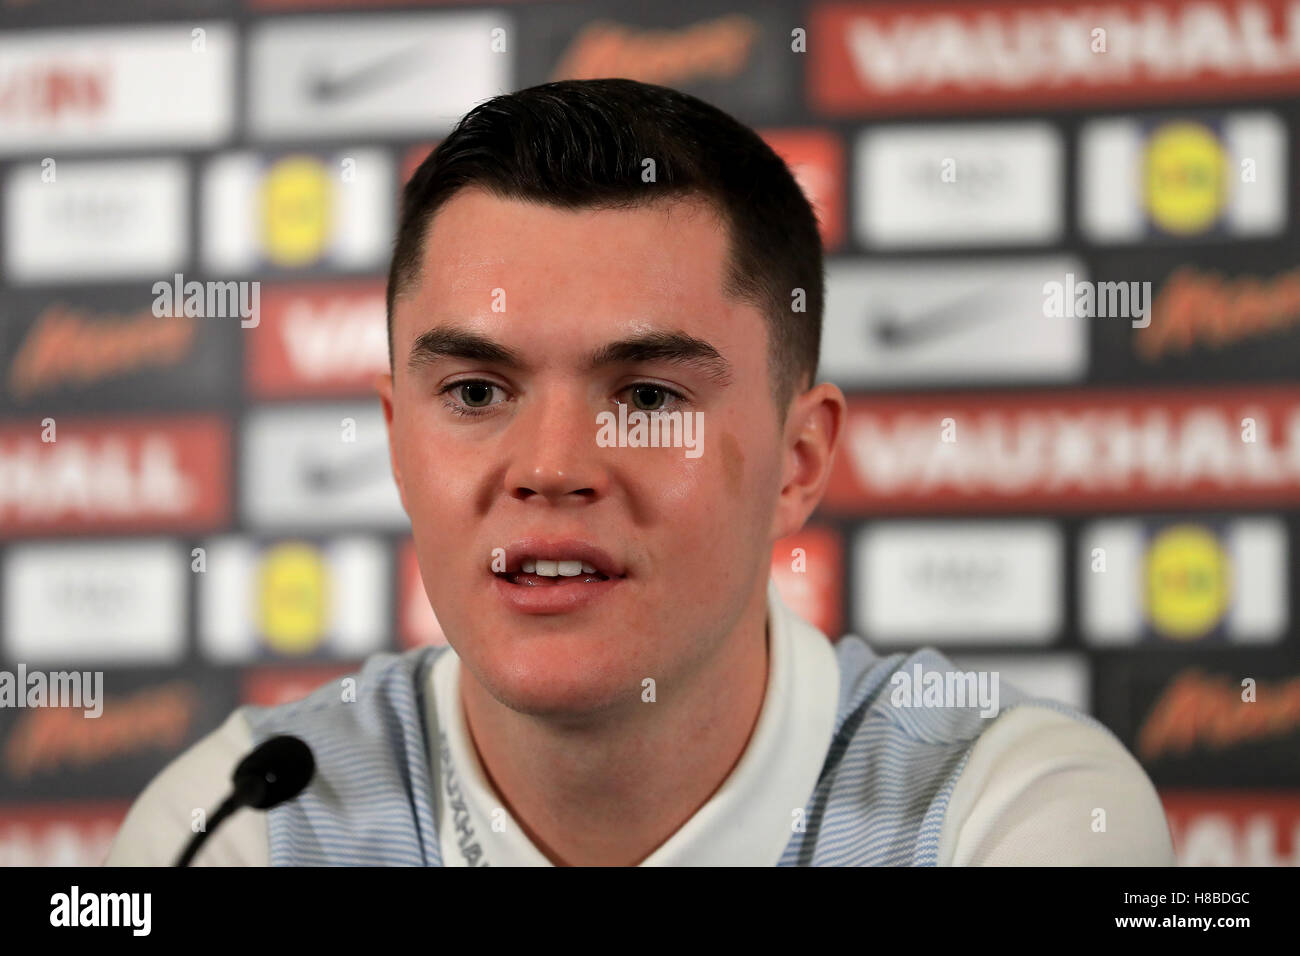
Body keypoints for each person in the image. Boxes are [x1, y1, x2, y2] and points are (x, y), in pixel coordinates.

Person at [106, 78, 1173, 866]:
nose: (552, 468)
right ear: (396, 439)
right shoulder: (238, 824)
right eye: (476, 392)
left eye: (649, 397)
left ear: (798, 462)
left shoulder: (1014, 806)